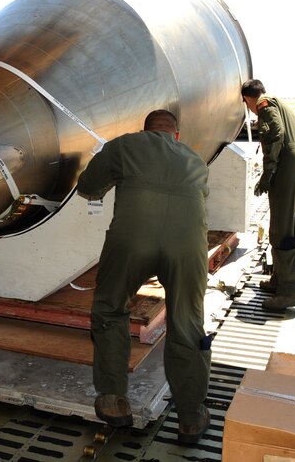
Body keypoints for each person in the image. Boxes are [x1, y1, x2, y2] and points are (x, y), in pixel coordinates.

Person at [76, 110, 212, 444]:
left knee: (110, 308)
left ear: (145, 130)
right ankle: (191, 417)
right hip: (187, 246)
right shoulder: (195, 158)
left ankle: (113, 400)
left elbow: (88, 186)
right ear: (176, 135)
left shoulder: (125, 146)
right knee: (187, 321)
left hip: (131, 241)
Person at [241, 79, 295, 311]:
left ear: (248, 98)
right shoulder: (278, 102)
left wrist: (268, 173)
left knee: (282, 229)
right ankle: (280, 280)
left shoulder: (263, 105)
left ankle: (291, 292)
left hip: (288, 166)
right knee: (281, 225)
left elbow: (275, 134)